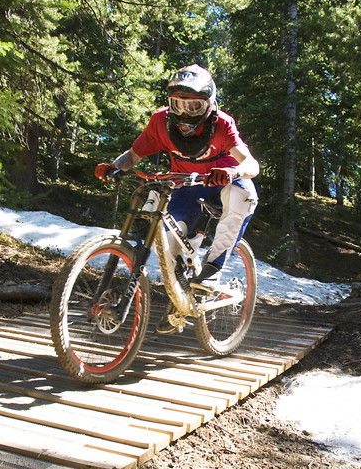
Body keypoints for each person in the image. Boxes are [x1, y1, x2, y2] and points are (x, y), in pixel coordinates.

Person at [95, 64, 259, 333]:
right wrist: (114, 167)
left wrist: (233, 170)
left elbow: (252, 165)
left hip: (223, 181)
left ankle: (214, 267)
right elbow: (133, 156)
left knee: (244, 194)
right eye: (177, 104)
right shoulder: (160, 121)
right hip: (186, 185)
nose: (184, 113)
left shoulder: (222, 124)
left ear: (208, 105)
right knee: (167, 242)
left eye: (193, 106)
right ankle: (179, 299)